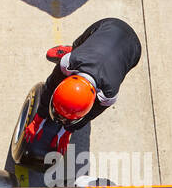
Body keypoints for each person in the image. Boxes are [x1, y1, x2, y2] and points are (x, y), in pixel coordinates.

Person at [23, 18, 142, 155]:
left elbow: (89, 114)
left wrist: (67, 131)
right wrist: (38, 118)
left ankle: (83, 50)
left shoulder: (108, 94)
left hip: (133, 48)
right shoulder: (69, 62)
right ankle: (73, 50)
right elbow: (51, 86)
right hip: (108, 26)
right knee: (76, 48)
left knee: (119, 69)